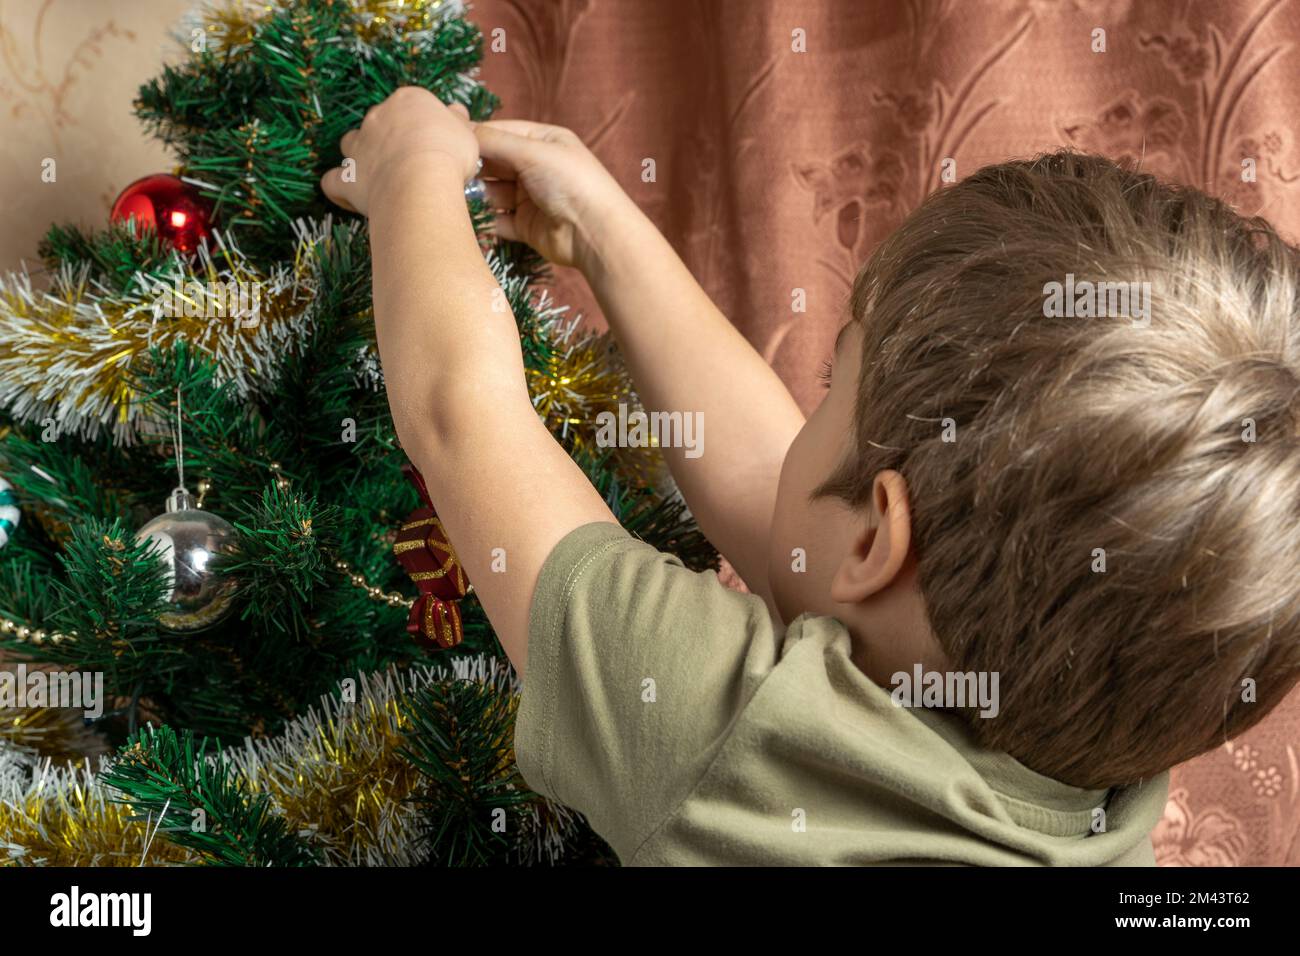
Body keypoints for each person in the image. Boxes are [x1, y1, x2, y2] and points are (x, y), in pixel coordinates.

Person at [322, 87, 1300, 865]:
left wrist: (410, 169)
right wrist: (601, 230)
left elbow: (460, 416)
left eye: (836, 381)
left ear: (877, 536)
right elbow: (793, 522)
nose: (805, 414)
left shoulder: (731, 738)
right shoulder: (1105, 786)